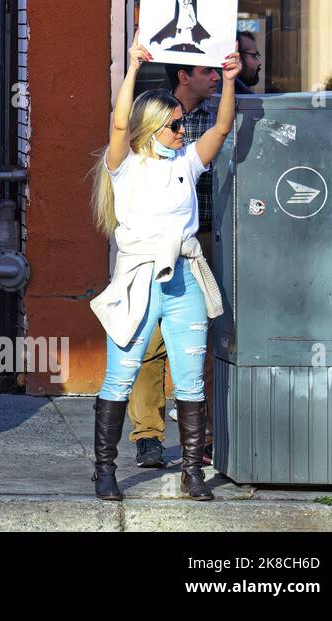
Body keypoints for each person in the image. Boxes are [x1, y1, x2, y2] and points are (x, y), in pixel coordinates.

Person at [89, 30, 240, 502]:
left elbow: (220, 129)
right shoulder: (127, 163)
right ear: (152, 127)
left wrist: (230, 81)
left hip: (186, 278)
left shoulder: (186, 161)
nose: (182, 131)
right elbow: (118, 126)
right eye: (174, 126)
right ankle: (106, 471)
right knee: (122, 373)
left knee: (190, 379)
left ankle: (193, 472)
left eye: (180, 125)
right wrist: (133, 68)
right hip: (138, 279)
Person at [126, 59, 220, 469]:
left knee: (200, 342)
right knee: (147, 342)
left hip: (205, 240)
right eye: (208, 72)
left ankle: (202, 436)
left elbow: (222, 131)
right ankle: (148, 434)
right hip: (151, 246)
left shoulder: (215, 115)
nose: (214, 78)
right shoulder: (149, 127)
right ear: (184, 76)